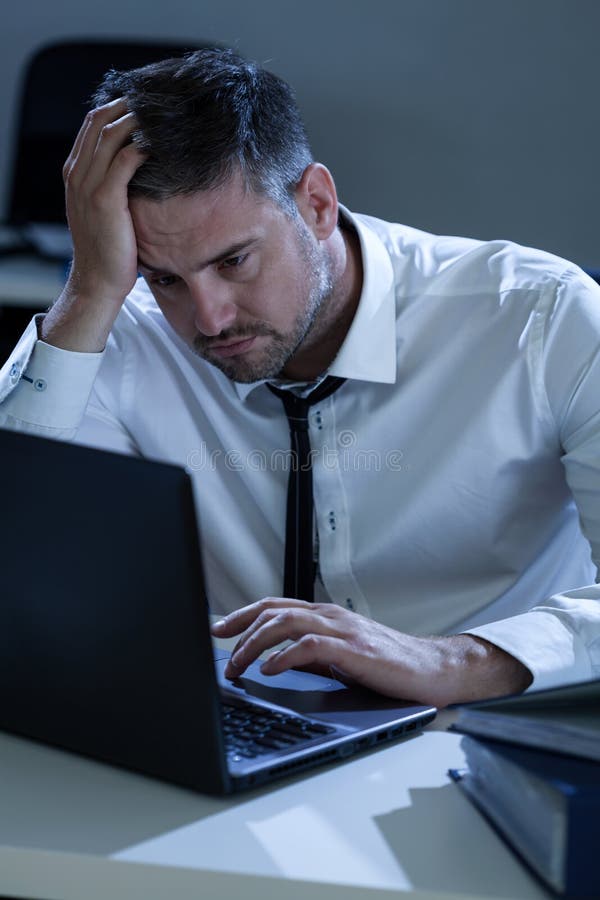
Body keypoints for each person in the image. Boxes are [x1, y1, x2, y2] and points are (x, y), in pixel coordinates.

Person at [1, 48, 599, 708]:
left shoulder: (540, 317)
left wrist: (454, 660)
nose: (209, 318)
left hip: (484, 727)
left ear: (316, 204)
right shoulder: (119, 332)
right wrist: (88, 290)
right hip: (237, 730)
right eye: (165, 278)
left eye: (234, 261)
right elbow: (18, 561)